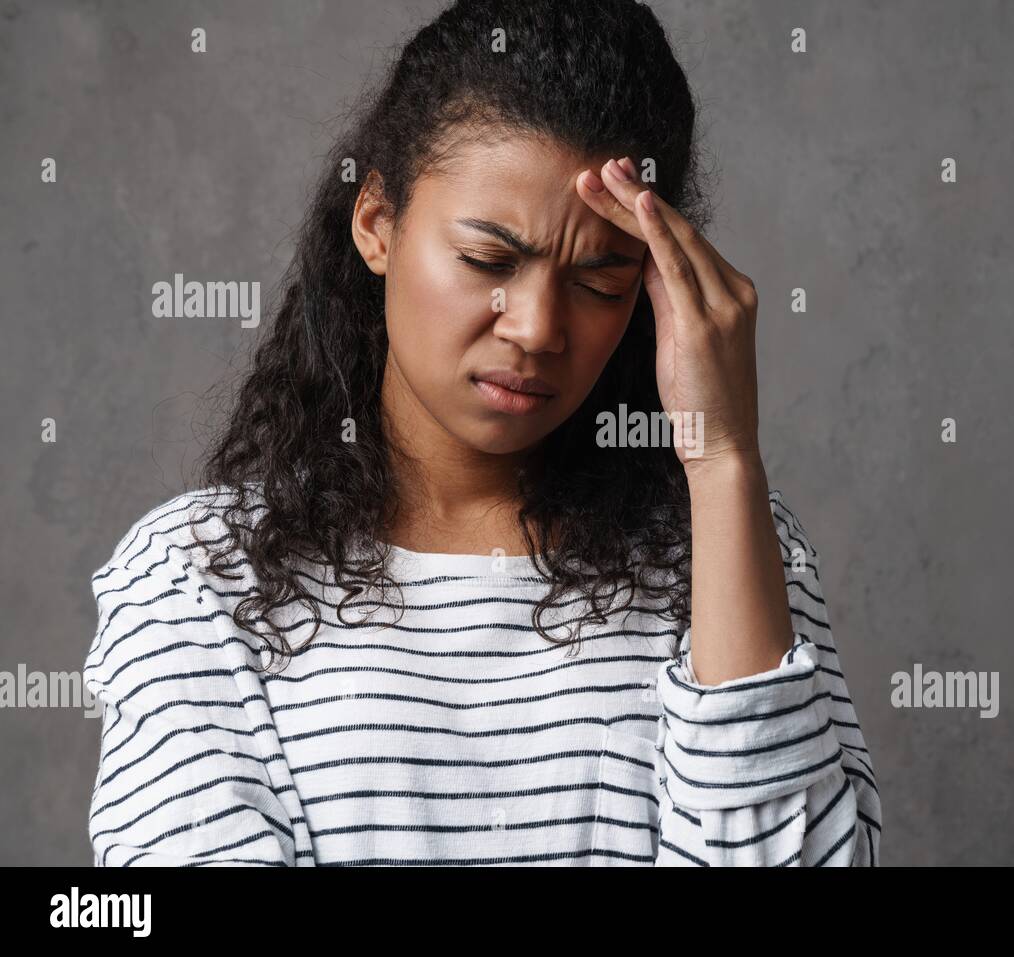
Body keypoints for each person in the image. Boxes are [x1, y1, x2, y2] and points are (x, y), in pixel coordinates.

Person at [84, 0, 882, 866]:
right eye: (489, 261)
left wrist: (723, 458)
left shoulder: (727, 553)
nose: (537, 327)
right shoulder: (201, 576)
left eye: (601, 281)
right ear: (377, 223)